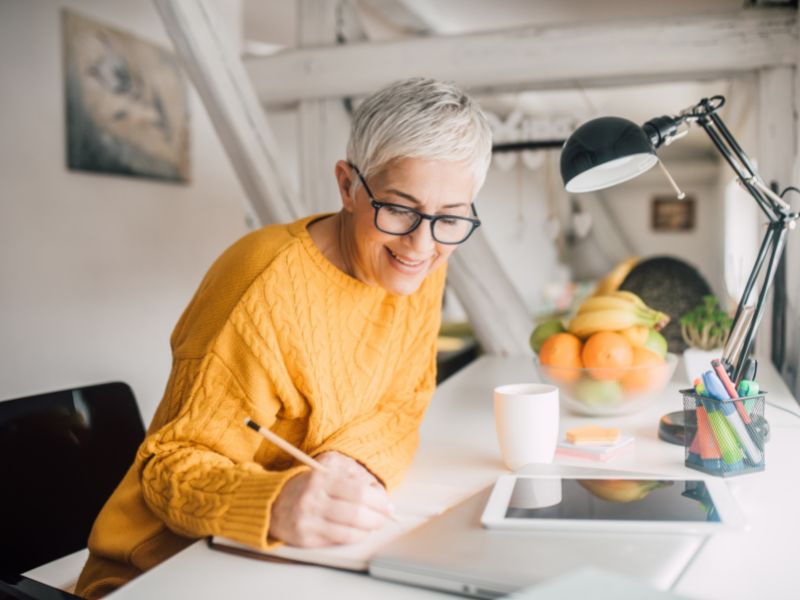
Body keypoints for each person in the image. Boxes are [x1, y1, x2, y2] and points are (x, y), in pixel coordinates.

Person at [76, 77, 493, 598]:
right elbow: (167, 470)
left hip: (295, 566)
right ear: (346, 185)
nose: (421, 244)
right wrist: (275, 503)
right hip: (163, 573)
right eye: (399, 209)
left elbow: (406, 401)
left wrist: (352, 458)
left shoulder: (422, 265)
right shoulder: (260, 287)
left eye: (450, 218)